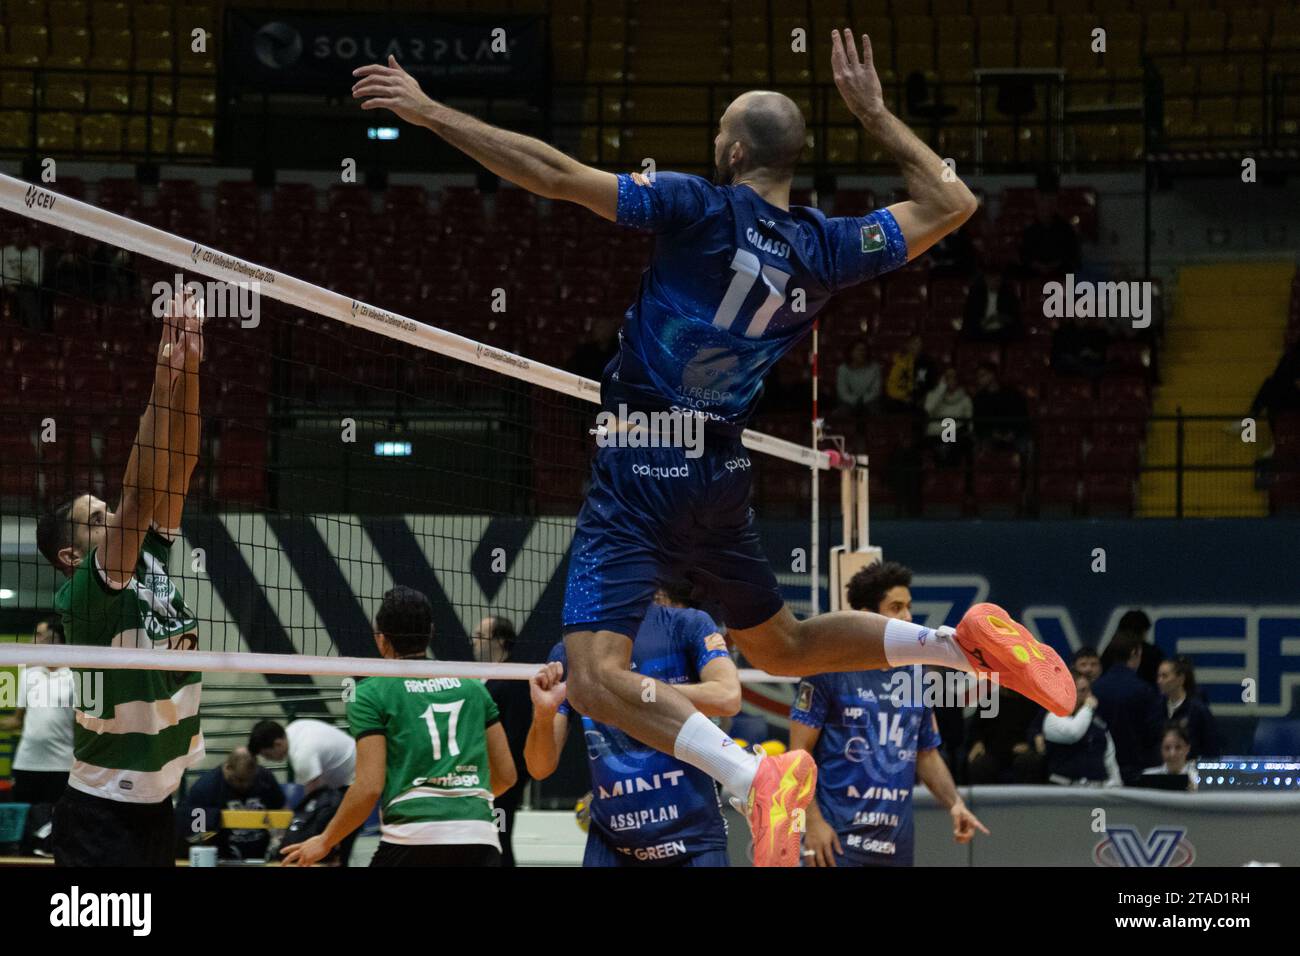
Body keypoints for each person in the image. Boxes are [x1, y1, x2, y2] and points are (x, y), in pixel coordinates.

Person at [352, 30, 1074, 866]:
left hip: (639, 458)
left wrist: (432, 111)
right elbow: (954, 204)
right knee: (782, 647)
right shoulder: (825, 246)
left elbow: (551, 174)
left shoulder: (695, 203)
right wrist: (875, 114)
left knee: (591, 676)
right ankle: (959, 645)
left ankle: (747, 777)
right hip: (722, 469)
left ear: (730, 151)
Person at [35, 292, 205, 867]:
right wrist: (161, 380)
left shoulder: (149, 560)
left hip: (157, 804)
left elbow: (179, 467)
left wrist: (191, 369)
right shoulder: (85, 596)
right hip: (99, 814)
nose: (109, 517)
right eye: (94, 518)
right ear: (69, 553)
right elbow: (136, 499)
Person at [282, 586, 517, 866]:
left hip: (413, 836)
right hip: (479, 837)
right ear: (430, 632)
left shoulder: (370, 693)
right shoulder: (473, 687)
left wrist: (324, 840)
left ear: (380, 638)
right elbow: (506, 776)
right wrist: (458, 797)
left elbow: (369, 787)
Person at [524, 583, 740, 867]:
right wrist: (543, 713)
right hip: (613, 844)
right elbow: (539, 767)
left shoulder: (686, 624)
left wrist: (637, 692)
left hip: (693, 840)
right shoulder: (571, 652)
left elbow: (727, 697)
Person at [791, 561, 987, 866]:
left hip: (895, 845)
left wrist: (955, 803)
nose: (908, 617)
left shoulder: (914, 675)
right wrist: (812, 823)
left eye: (908, 607)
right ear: (867, 617)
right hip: (837, 842)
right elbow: (797, 753)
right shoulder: (828, 669)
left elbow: (926, 754)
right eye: (896, 607)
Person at [0, 618, 75, 806]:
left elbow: (86, 725)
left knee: (54, 825)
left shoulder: (75, 676)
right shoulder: (28, 675)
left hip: (62, 765)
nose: (33, 640)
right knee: (24, 824)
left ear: (55, 639)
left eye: (38, 634)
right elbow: (17, 720)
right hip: (26, 763)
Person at [476, 615, 531, 866]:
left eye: (480, 637)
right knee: (487, 839)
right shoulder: (485, 677)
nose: (474, 642)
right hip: (485, 777)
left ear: (499, 641)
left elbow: (516, 734)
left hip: (504, 778)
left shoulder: (513, 678)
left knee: (499, 838)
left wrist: (505, 776)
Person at [176, 747, 285, 861]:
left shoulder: (264, 777)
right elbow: (192, 831)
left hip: (261, 854)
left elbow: (282, 809)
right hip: (222, 856)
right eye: (240, 780)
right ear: (228, 768)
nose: (246, 785)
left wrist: (278, 841)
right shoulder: (206, 787)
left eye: (250, 780)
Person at [1091, 629, 1164, 785]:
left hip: (1101, 773)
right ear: (1134, 653)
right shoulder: (1145, 691)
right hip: (1137, 772)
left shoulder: (1095, 689)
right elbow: (1155, 733)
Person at [1029, 671, 1121, 787]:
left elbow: (1109, 756)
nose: (1089, 696)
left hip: (1097, 791)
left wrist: (1117, 785)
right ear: (1067, 692)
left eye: (1088, 690)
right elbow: (1073, 733)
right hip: (1064, 791)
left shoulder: (1096, 721)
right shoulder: (1052, 718)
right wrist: (1088, 708)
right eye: (1082, 691)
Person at [1156, 656, 1218, 758]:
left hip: (1191, 769)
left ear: (1180, 679)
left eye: (1164, 676)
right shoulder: (1156, 708)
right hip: (1161, 770)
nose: (1159, 681)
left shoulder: (1198, 710)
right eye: (1158, 676)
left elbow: (1211, 748)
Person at [1018, 188, 1080, 277]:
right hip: (1035, 269)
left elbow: (1071, 254)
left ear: (1055, 206)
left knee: (1070, 270)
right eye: (1043, 203)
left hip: (1060, 269)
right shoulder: (1030, 230)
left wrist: (1053, 266)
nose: (1046, 206)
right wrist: (1038, 266)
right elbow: (1025, 255)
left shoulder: (1066, 229)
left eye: (1050, 203)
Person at [971, 362, 1029, 451]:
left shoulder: (1012, 394)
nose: (979, 380)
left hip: (1013, 434)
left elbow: (1022, 416)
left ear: (992, 375)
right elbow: (978, 422)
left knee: (1024, 444)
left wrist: (1013, 433)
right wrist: (992, 434)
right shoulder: (979, 398)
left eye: (982, 376)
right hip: (990, 436)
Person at [923, 367, 973, 465]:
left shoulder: (965, 399)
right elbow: (927, 411)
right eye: (948, 377)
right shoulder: (933, 395)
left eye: (954, 377)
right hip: (934, 436)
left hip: (954, 438)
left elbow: (970, 424)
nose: (951, 380)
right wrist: (941, 389)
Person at [883, 334, 937, 412]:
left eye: (920, 344)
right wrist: (903, 396)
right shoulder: (900, 361)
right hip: (901, 397)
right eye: (914, 343)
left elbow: (928, 384)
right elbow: (891, 386)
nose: (918, 346)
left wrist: (920, 397)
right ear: (908, 345)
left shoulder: (927, 362)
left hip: (921, 398)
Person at [962, 271, 1020, 341]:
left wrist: (999, 318)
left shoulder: (1008, 296)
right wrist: (983, 322)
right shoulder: (976, 296)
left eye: (997, 280)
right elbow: (970, 316)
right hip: (981, 329)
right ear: (986, 280)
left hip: (1002, 330)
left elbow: (1014, 316)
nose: (994, 282)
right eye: (991, 280)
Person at [835, 340, 882, 413]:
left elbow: (875, 391)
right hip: (848, 402)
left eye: (864, 350)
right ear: (851, 353)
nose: (862, 353)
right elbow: (842, 392)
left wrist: (862, 400)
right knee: (842, 411)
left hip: (870, 402)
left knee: (876, 410)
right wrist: (855, 401)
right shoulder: (843, 369)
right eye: (858, 350)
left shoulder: (875, 368)